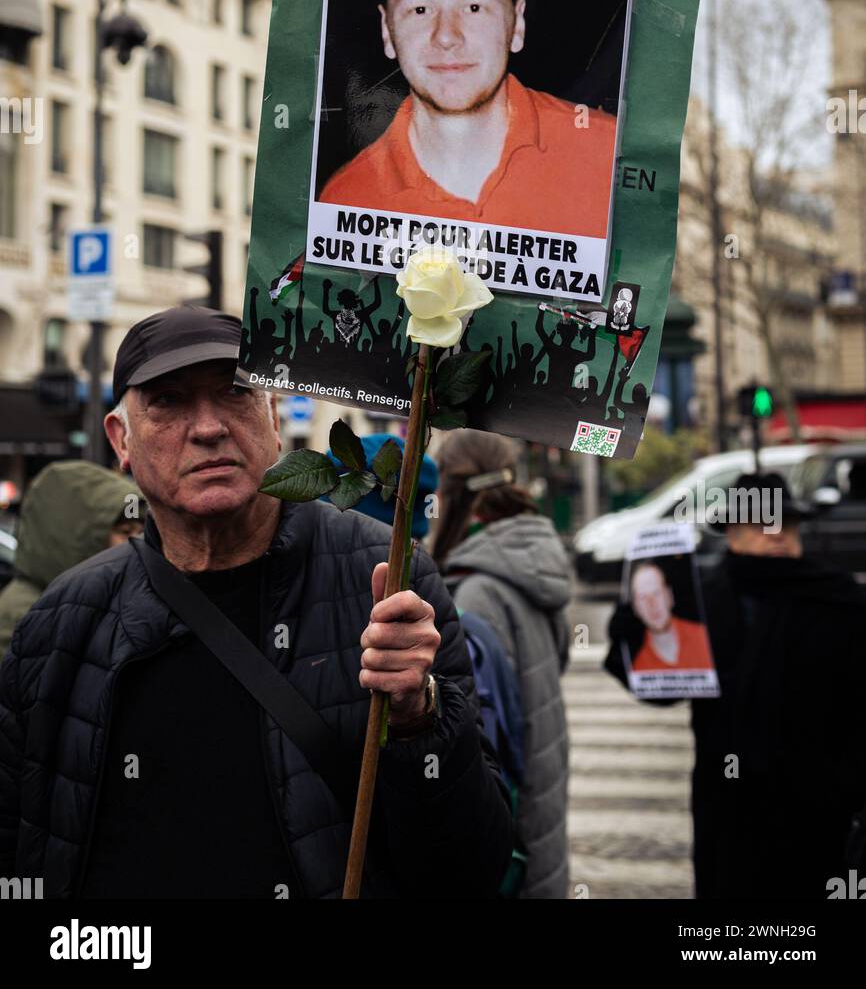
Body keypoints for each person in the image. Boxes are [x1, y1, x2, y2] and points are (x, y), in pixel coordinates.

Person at [0, 305, 513, 900]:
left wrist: (419, 717)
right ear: (121, 440)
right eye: (168, 401)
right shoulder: (63, 619)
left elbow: (473, 863)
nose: (209, 426)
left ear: (272, 416)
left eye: (235, 392)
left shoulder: (386, 578)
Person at [606, 471, 866, 900]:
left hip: (819, 810)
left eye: (785, 521)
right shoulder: (703, 599)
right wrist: (633, 636)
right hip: (730, 807)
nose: (776, 532)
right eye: (761, 522)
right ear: (732, 531)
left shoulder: (840, 599)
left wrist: (847, 784)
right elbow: (663, 688)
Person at [318, 0, 617, 236]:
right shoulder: (347, 198)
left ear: (516, 26)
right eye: (420, 9)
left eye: (474, 7)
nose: (446, 36)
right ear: (386, 32)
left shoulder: (607, 157)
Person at [432, 429, 571, 899]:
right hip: (543, 791)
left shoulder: (476, 591)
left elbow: (475, 744)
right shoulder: (534, 559)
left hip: (509, 830)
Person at [0, 460, 142, 660]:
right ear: (78, 537)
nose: (136, 542)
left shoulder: (90, 601)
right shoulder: (24, 614)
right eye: (125, 532)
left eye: (141, 531)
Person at [627, 561, 714, 672]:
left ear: (669, 596)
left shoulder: (704, 637)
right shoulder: (636, 663)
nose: (652, 604)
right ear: (635, 607)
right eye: (643, 597)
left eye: (656, 593)